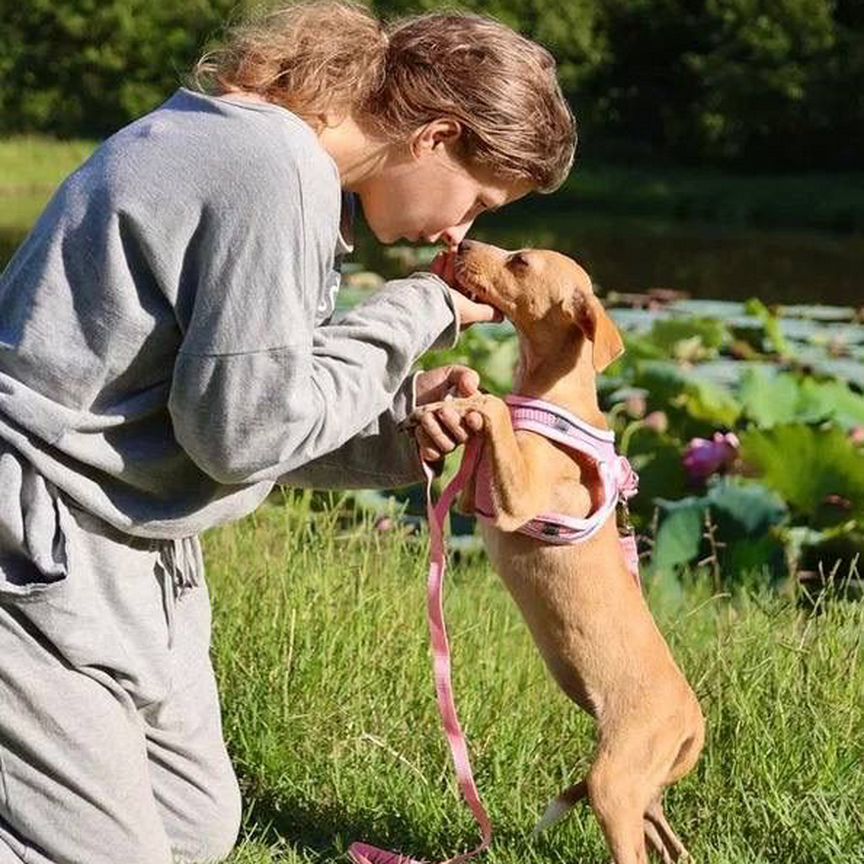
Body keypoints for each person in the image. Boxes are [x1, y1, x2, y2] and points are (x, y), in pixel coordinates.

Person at [0, 1, 576, 861]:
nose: (461, 234)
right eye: (480, 200)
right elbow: (239, 437)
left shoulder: (274, 157)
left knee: (194, 830)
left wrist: (397, 430)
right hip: (36, 536)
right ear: (435, 135)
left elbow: (229, 406)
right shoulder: (268, 167)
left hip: (128, 541)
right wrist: (417, 305)